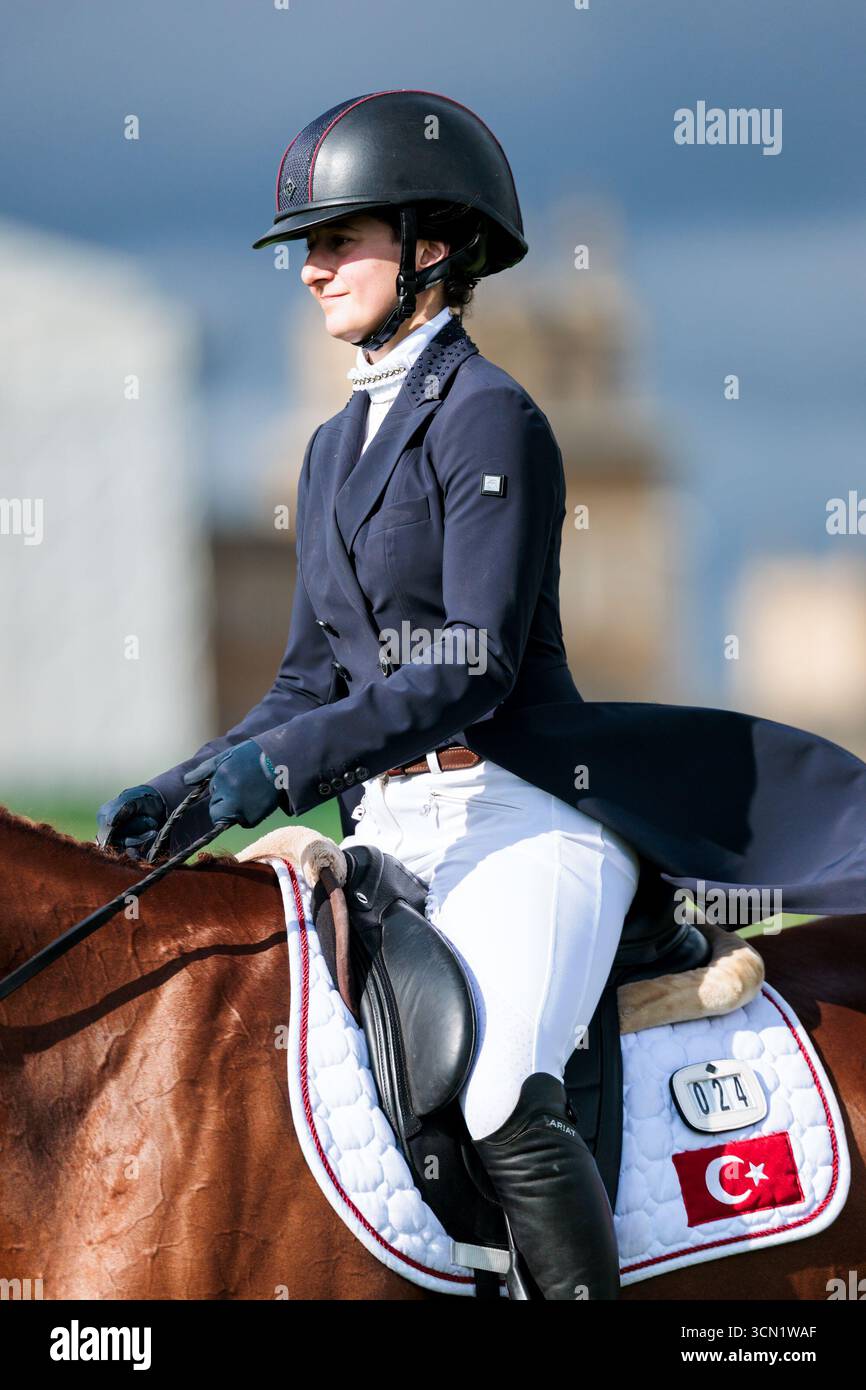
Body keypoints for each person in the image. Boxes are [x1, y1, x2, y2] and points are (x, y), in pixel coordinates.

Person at [97, 88, 866, 1296]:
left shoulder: (492, 418)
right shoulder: (328, 448)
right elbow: (308, 676)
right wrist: (196, 782)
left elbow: (471, 664)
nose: (309, 269)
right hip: (393, 833)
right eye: (306, 246)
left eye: (338, 239)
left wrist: (282, 770)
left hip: (526, 816)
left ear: (434, 247)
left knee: (504, 1087)